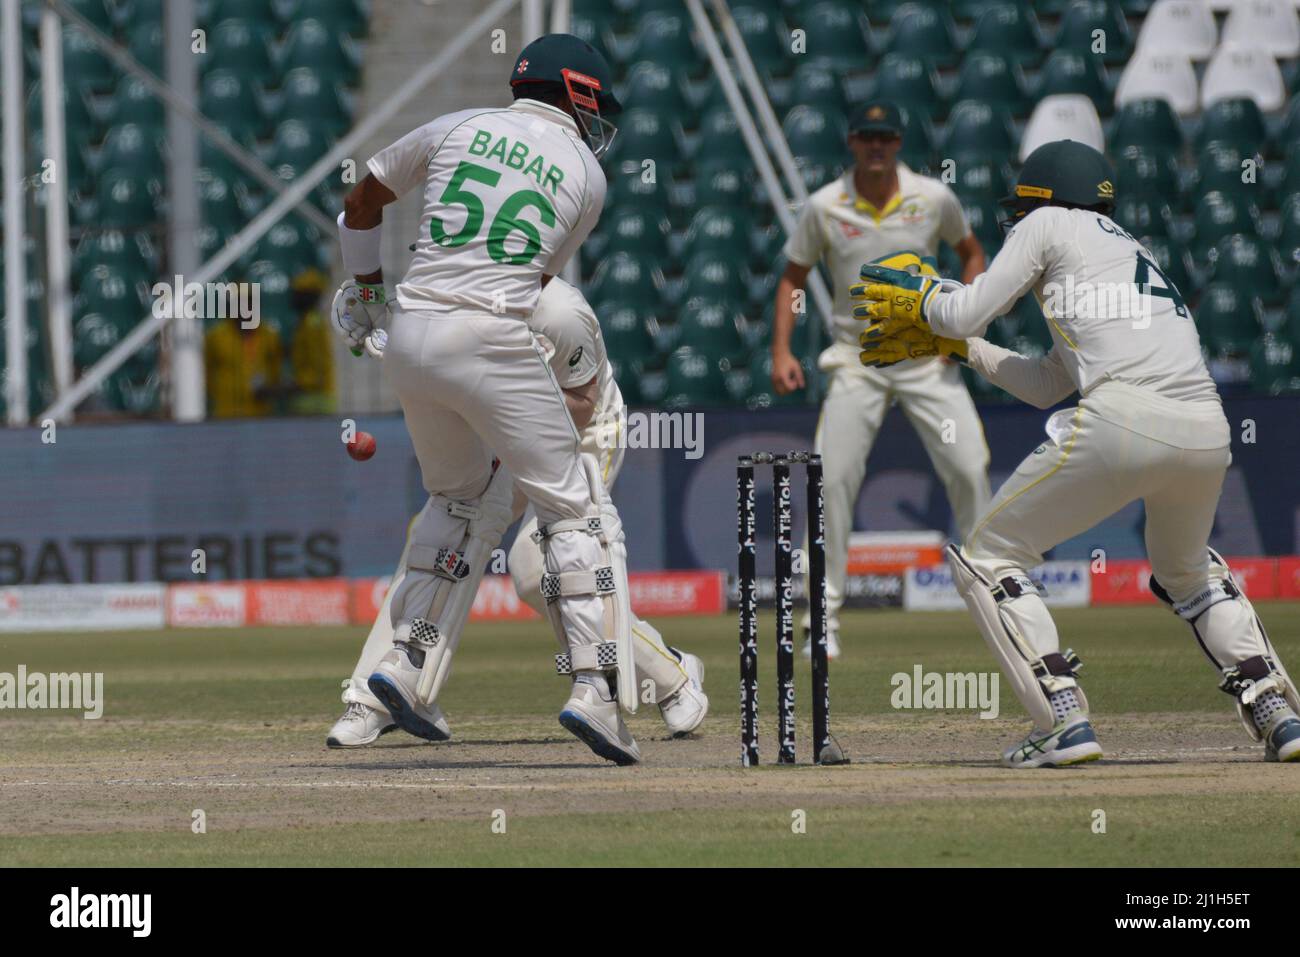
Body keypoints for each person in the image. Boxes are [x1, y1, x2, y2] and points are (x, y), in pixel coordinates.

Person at [852, 139, 1300, 767]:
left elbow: (968, 309)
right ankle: (1276, 711)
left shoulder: (1047, 223)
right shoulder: (1123, 251)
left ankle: (1062, 715)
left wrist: (929, 301)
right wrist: (962, 352)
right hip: (1207, 431)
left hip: (1124, 421)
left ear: (1043, 198)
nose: (1015, 220)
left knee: (987, 556)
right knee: (1188, 575)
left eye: (1022, 207)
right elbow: (1045, 383)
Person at [330, 34, 647, 765]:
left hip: (410, 337)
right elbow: (533, 282)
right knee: (572, 508)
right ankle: (595, 691)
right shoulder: (587, 177)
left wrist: (372, 289)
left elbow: (361, 200)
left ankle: (404, 668)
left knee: (455, 503)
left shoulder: (457, 126)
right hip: (492, 334)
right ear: (576, 90)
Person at [327, 278, 708, 748]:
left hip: (579, 434)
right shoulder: (450, 290)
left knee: (532, 570)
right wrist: (382, 315)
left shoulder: (560, 311)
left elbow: (582, 405)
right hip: (499, 432)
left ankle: (672, 678)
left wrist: (504, 405)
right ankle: (375, 696)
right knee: (432, 537)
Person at [770, 101, 990, 658]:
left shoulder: (933, 197)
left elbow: (972, 256)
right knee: (832, 480)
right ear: (851, 141)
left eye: (886, 137)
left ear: (898, 142)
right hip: (856, 360)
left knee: (970, 466)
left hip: (923, 359)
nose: (876, 146)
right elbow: (793, 277)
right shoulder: (824, 206)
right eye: (867, 136)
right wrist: (782, 350)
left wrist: (964, 325)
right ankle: (822, 616)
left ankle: (996, 594)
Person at [203, 302, 283, 418]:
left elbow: (275, 372)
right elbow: (207, 371)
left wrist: (270, 388)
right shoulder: (216, 336)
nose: (244, 308)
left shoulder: (269, 335)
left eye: (249, 303)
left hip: (261, 413)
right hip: (226, 412)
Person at [287, 268, 336, 415]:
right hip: (311, 394)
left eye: (301, 294)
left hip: (315, 397)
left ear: (312, 296)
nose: (295, 297)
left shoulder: (312, 323)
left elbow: (318, 361)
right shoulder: (305, 321)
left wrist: (301, 383)